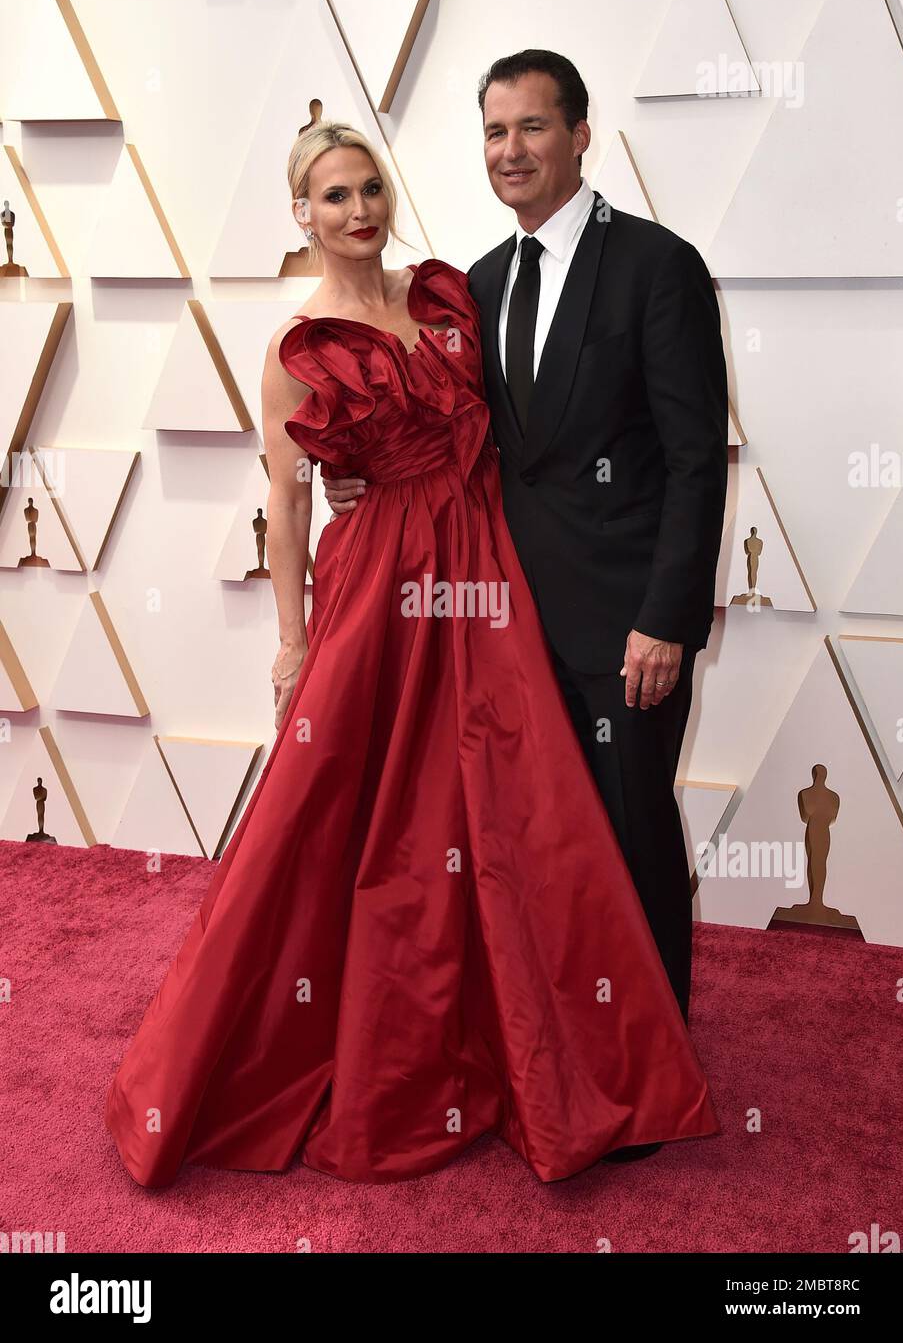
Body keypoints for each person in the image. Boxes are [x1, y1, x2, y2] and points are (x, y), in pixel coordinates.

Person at [103, 119, 720, 1190]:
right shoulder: (295, 345)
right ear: (301, 214)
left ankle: (521, 1042)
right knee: (354, 812)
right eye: (332, 196)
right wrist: (294, 639)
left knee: (505, 805)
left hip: (483, 573)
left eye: (368, 189)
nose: (357, 211)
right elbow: (287, 504)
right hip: (381, 587)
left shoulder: (447, 297)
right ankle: (327, 1046)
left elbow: (517, 426)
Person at [325, 53, 729, 1076]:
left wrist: (666, 618)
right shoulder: (479, 284)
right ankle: (565, 1054)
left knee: (632, 841)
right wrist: (354, 481)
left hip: (624, 624)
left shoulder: (654, 264)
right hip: (505, 624)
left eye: (533, 128)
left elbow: (695, 459)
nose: (511, 151)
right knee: (544, 851)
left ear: (581, 135)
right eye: (494, 132)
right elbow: (454, 440)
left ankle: (650, 1068)